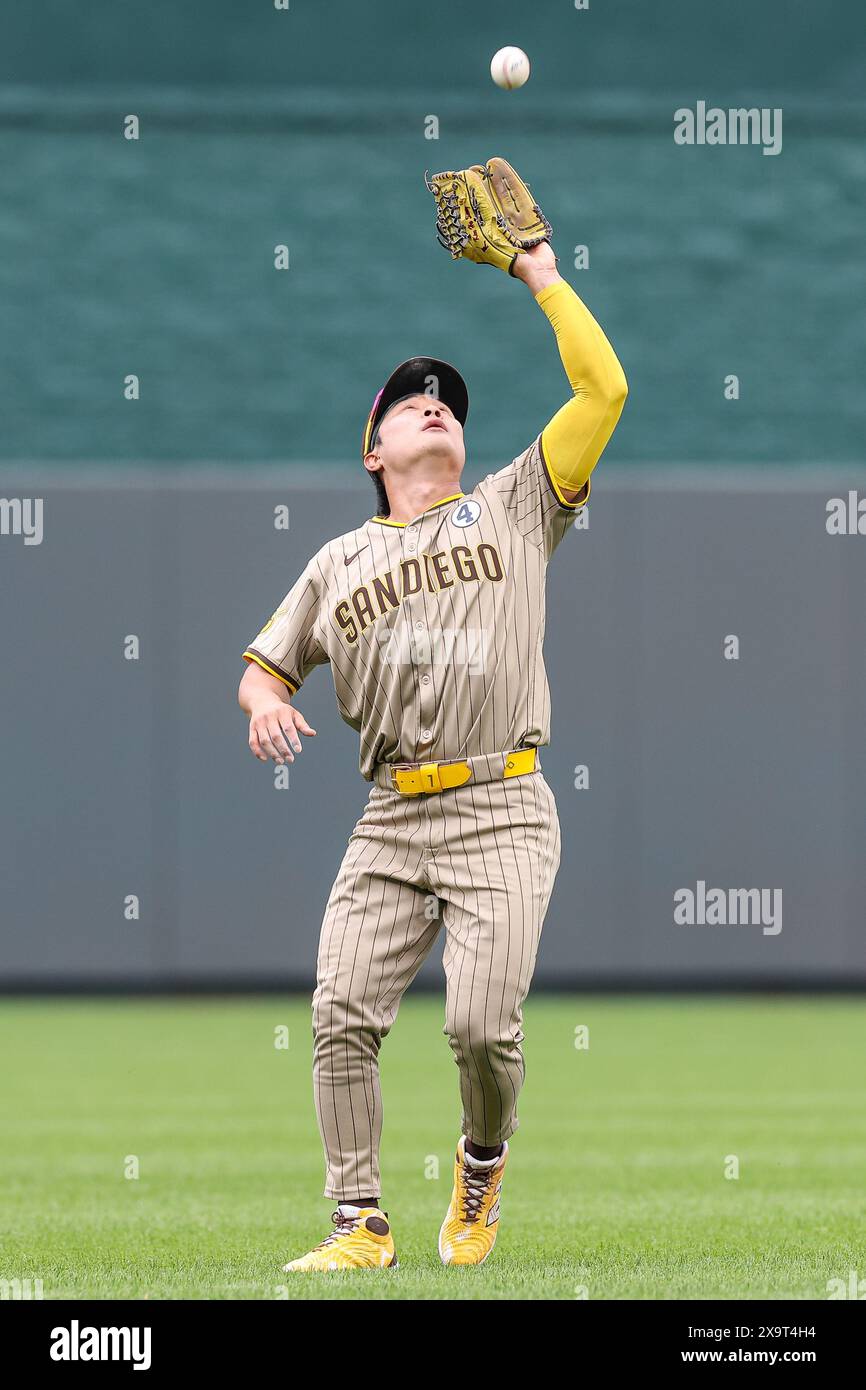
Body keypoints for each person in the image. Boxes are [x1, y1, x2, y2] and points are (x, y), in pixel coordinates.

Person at [238, 209, 627, 1273]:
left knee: (479, 1029)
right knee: (338, 1013)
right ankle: (358, 1222)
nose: (432, 403)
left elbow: (604, 392)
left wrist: (537, 273)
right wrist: (263, 700)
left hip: (501, 801)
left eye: (446, 400)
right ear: (372, 448)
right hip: (390, 815)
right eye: (411, 399)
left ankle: (481, 1161)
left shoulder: (512, 504)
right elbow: (264, 664)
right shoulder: (334, 561)